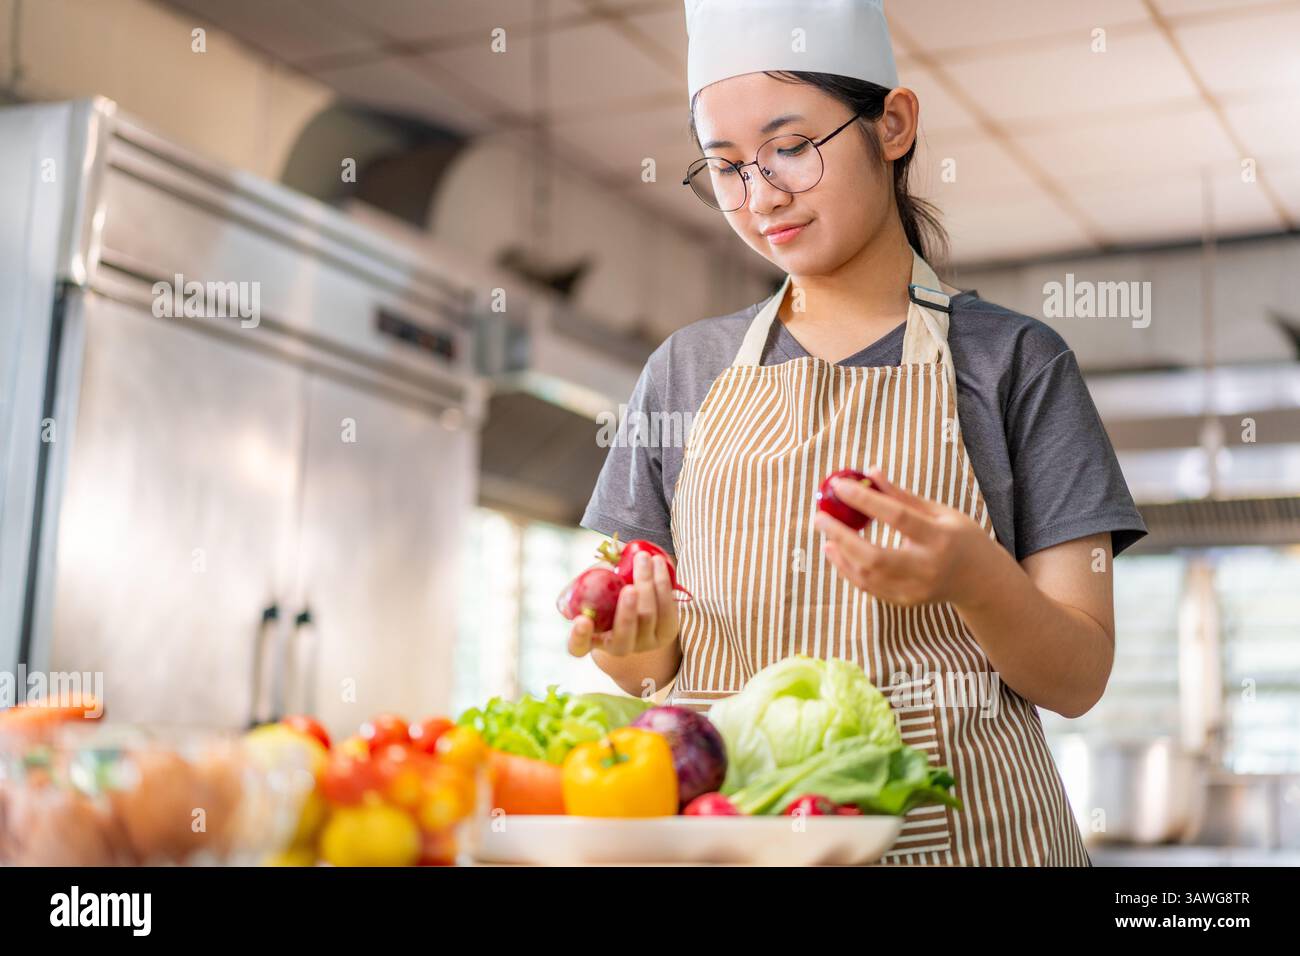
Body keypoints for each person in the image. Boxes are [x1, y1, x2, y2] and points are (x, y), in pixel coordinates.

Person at [570, 0, 1146, 866]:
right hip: (742, 843)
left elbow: (1078, 678)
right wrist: (634, 650)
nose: (759, 196)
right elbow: (652, 679)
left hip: (972, 840)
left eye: (791, 148)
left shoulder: (1015, 362)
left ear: (894, 124)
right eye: (724, 167)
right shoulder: (683, 373)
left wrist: (975, 578)